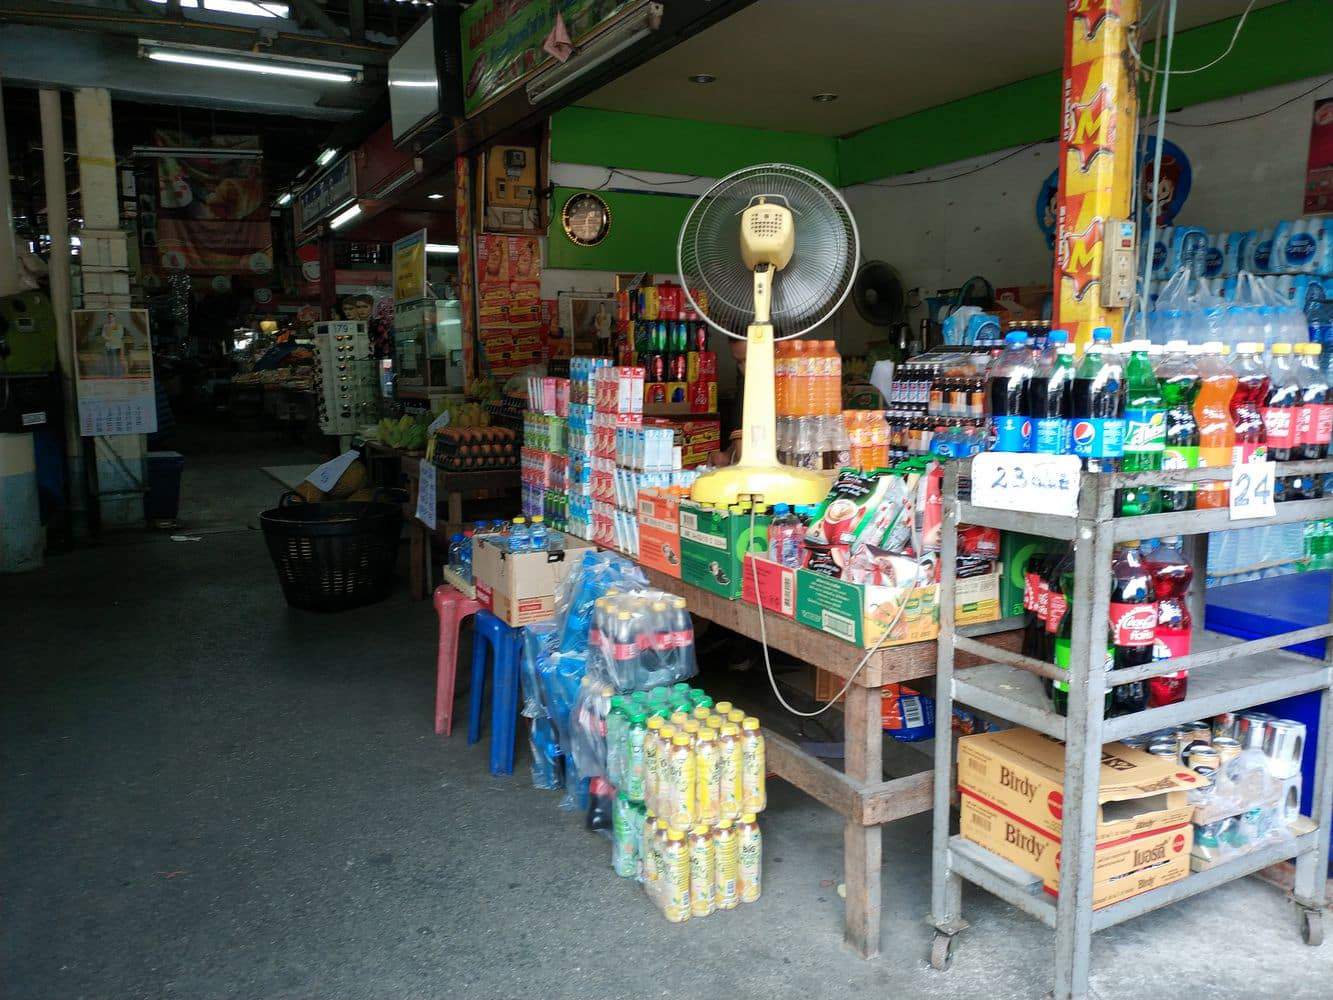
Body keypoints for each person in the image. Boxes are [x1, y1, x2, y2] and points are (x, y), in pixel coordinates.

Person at [101, 312, 126, 376]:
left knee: (118, 360)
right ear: (108, 318)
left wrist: (113, 337)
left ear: (115, 318)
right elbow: (103, 335)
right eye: (109, 317)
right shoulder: (105, 326)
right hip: (109, 346)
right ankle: (111, 374)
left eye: (112, 317)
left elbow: (121, 335)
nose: (110, 318)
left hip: (117, 345)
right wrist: (109, 338)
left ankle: (118, 374)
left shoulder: (119, 325)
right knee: (110, 360)